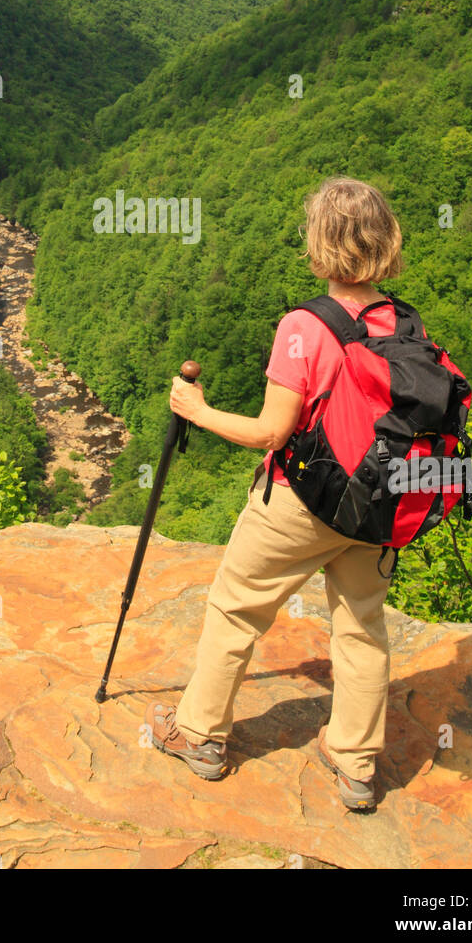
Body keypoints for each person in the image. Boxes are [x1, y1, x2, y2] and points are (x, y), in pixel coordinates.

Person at [148, 176, 406, 811]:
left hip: (303, 501)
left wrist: (196, 408)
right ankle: (355, 766)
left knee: (236, 609)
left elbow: (271, 430)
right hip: (379, 502)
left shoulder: (305, 326)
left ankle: (202, 736)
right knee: (362, 628)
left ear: (319, 247)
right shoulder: (401, 320)